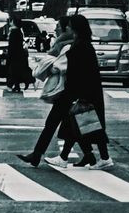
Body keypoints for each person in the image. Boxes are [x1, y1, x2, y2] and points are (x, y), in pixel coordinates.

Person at [25, 9, 109, 168]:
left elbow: (76, 72)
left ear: (76, 29)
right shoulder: (83, 45)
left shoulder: (79, 47)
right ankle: (86, 157)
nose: (67, 29)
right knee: (79, 125)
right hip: (78, 93)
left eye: (69, 27)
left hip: (74, 93)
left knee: (84, 125)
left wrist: (77, 93)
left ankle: (100, 158)